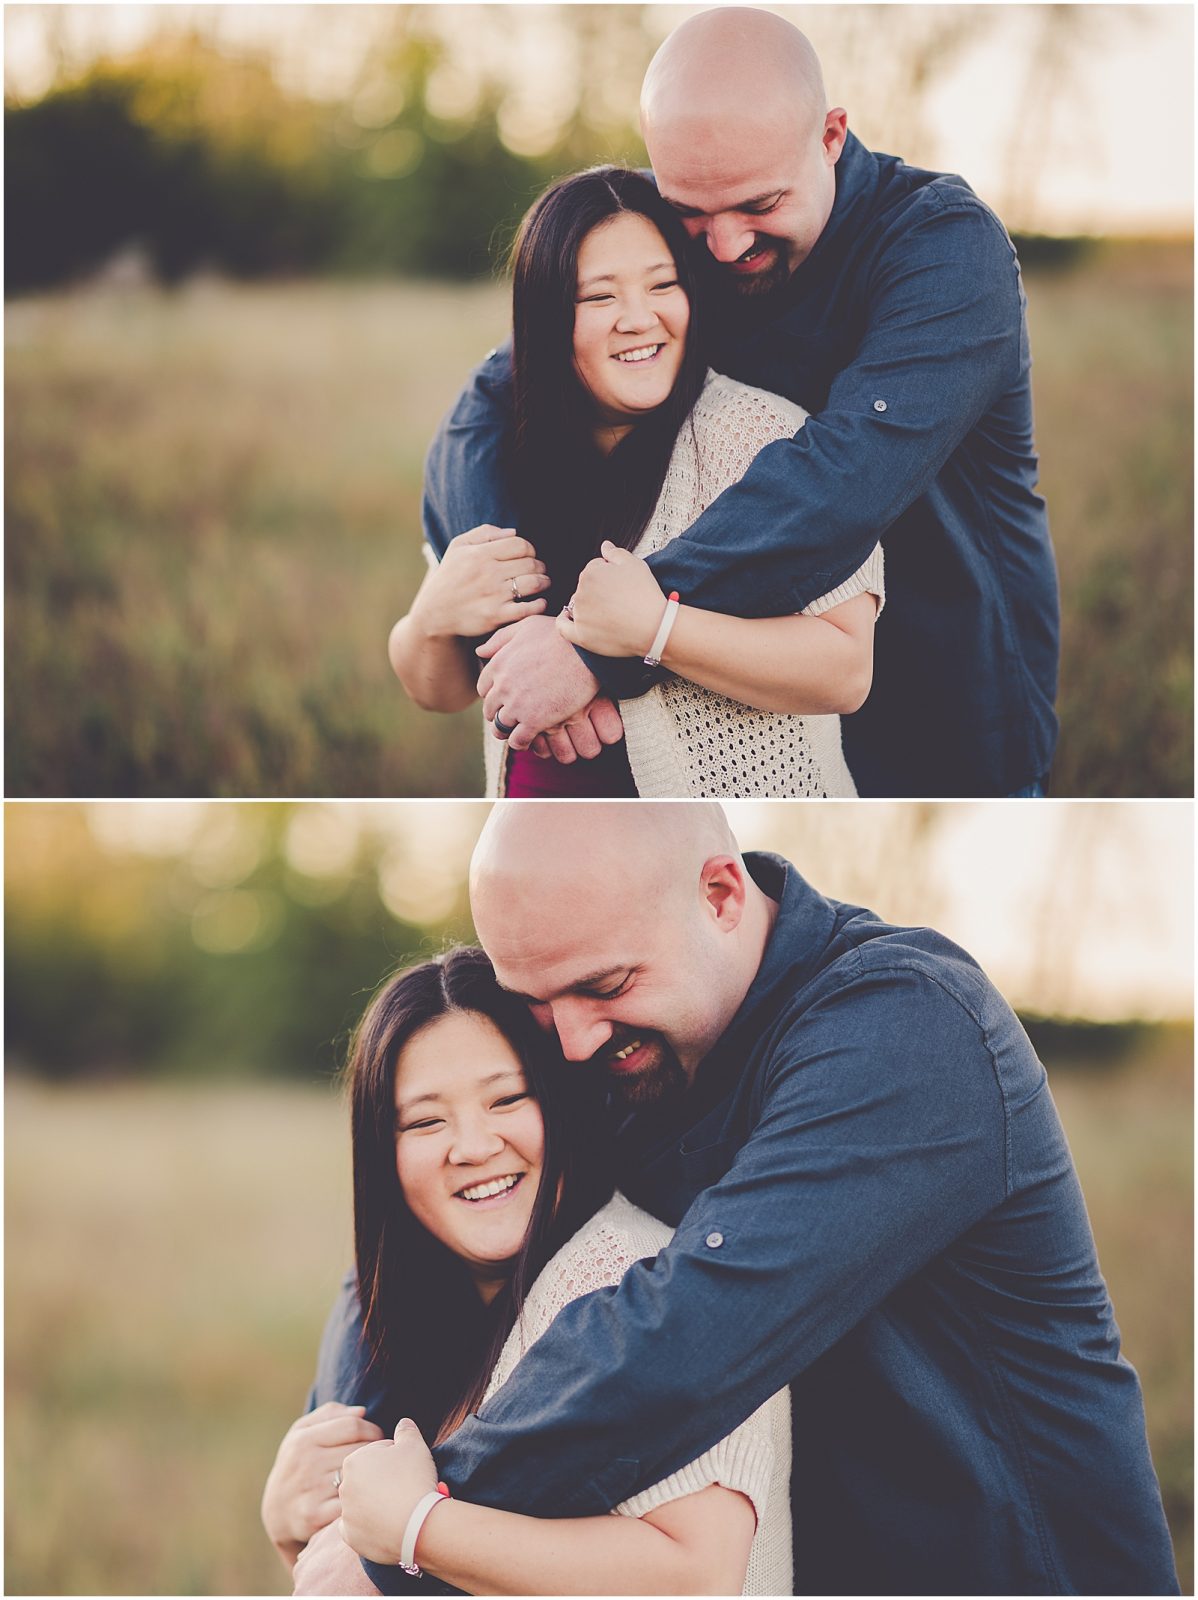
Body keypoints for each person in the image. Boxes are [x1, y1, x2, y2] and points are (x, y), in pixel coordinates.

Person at [311, 802, 1178, 1595]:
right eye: (538, 1004)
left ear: (722, 896)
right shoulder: (635, 1043)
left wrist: (403, 1542)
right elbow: (420, 1235)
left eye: (603, 986)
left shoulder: (907, 1029)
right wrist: (330, 1459)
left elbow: (685, 1338)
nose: (571, 1042)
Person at [424, 9, 1059, 798]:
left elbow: (844, 477)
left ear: (830, 137)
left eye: (760, 204)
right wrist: (519, 611)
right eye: (692, 209)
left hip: (943, 723)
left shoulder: (944, 250)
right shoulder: (675, 250)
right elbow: (491, 401)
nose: (723, 247)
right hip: (743, 726)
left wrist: (595, 641)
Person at [263, 945, 791, 1595]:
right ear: (382, 1154)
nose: (475, 1147)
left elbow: (697, 1580)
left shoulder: (623, 1279)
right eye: (426, 1120)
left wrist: (415, 1531)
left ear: (562, 1105)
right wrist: (290, 1526)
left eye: (507, 1099)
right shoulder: (411, 1315)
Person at [390, 166, 883, 798]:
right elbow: (437, 690)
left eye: (663, 285)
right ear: (544, 315)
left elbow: (846, 671)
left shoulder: (760, 437)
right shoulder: (506, 456)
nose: (639, 318)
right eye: (599, 297)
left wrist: (654, 633)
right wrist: (431, 617)